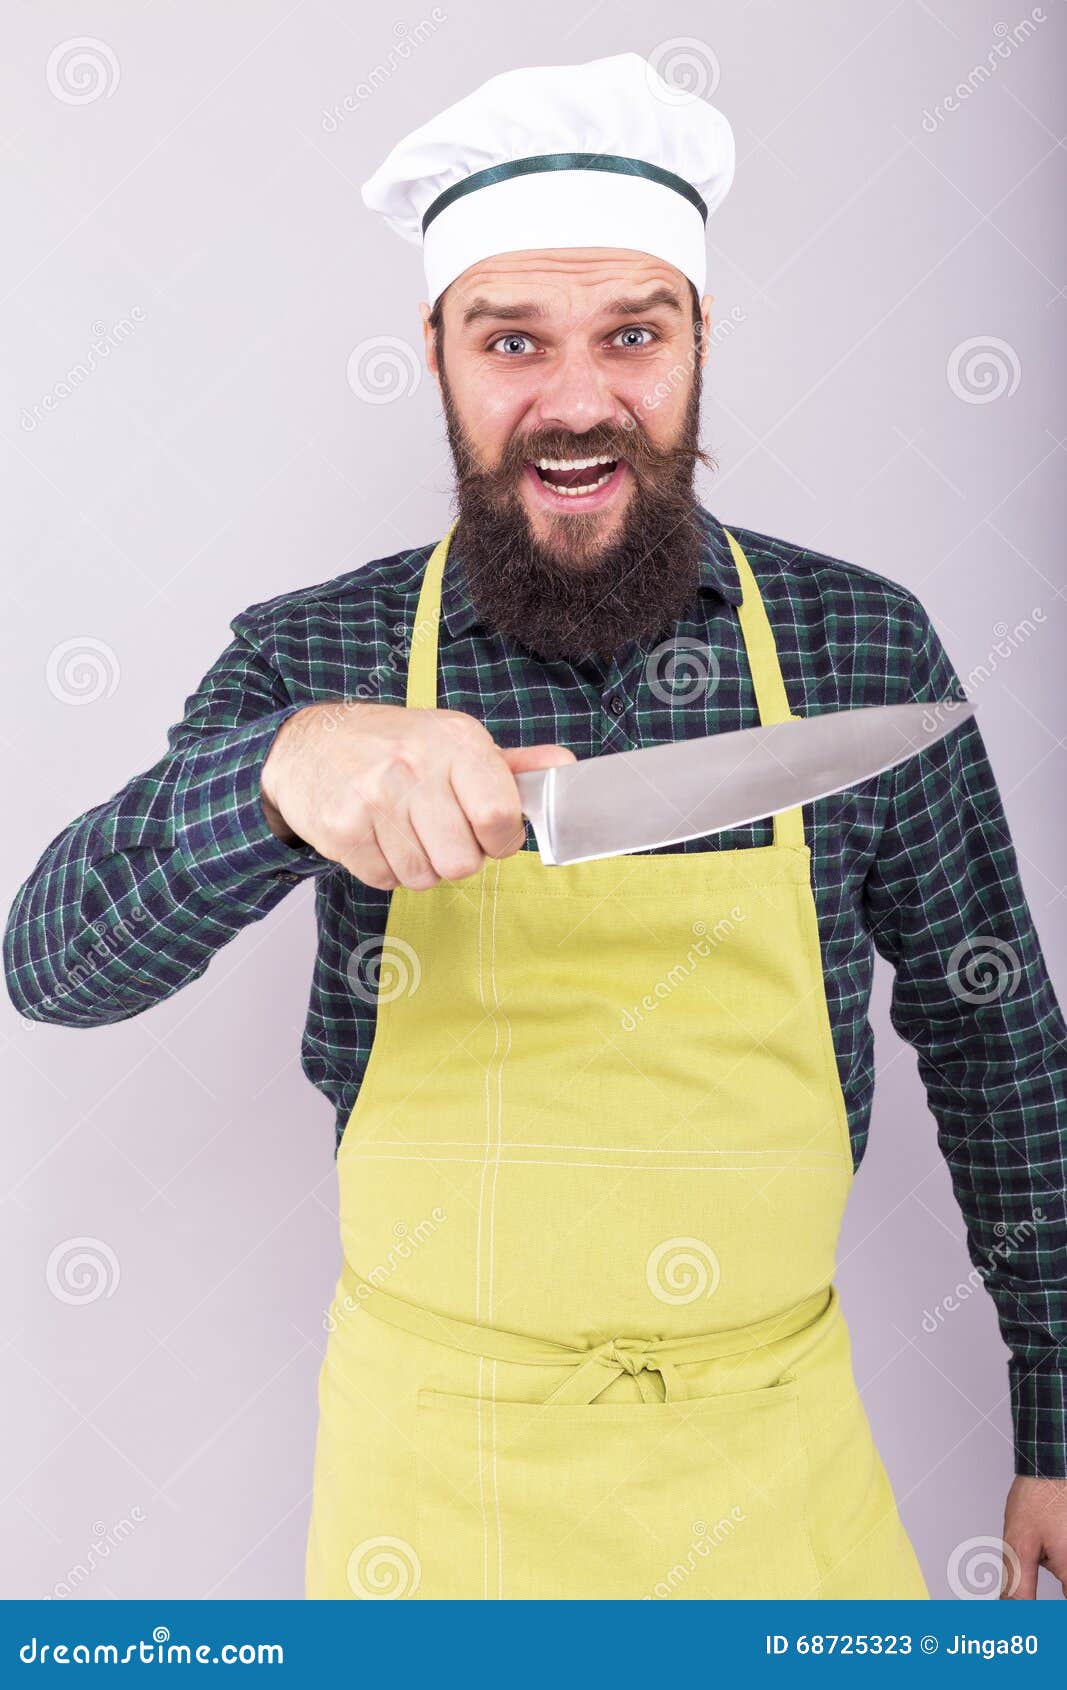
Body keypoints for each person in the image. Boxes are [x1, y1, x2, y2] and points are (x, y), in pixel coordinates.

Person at [5, 54, 1065, 1602]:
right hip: (434, 1477)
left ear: (702, 341)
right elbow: (50, 964)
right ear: (434, 354)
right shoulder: (324, 659)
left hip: (773, 1460)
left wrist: (1056, 1411)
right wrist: (274, 776)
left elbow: (999, 1043)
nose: (579, 402)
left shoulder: (858, 650)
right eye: (514, 341)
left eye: (634, 333)